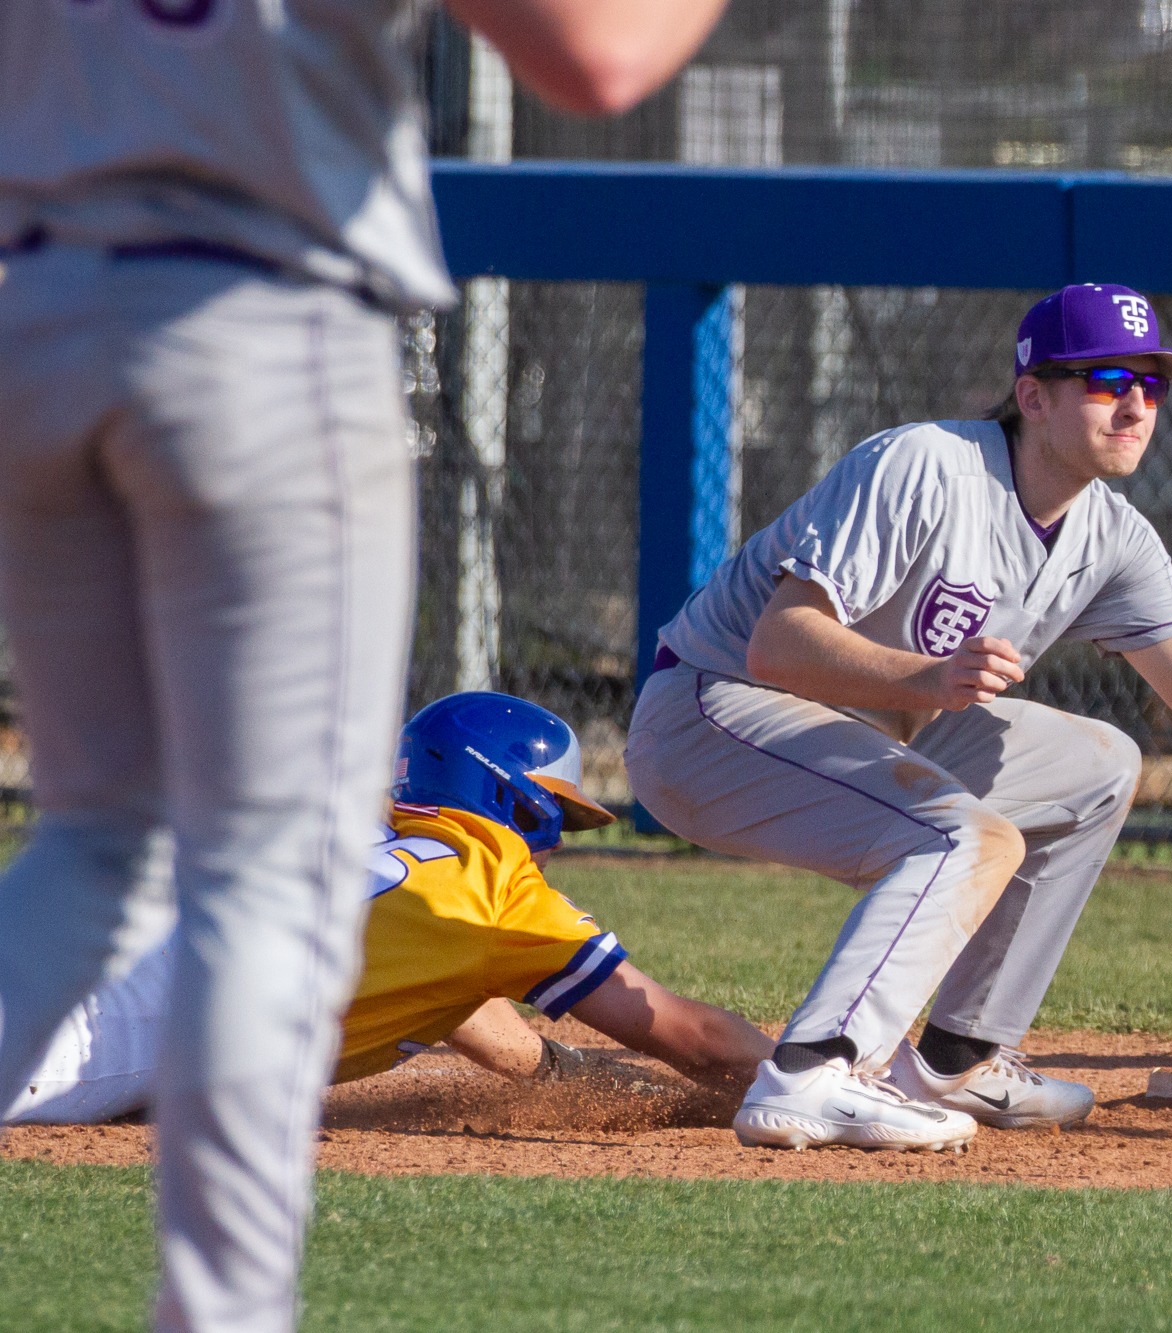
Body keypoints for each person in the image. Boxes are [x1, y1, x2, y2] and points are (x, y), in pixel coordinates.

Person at [0, 3, 728, 1327]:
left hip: (40, 308)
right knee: (271, 870)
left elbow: (500, 1031)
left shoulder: (451, 890)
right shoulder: (487, 877)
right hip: (260, 311)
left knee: (94, 840)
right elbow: (597, 56)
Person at [626, 283, 1172, 1151]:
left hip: (869, 726)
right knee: (963, 836)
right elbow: (779, 642)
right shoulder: (925, 464)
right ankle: (812, 1071)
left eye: (1155, 383)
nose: (1138, 401)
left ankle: (962, 1054)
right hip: (710, 715)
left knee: (1103, 764)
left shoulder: (1115, 534)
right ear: (1034, 395)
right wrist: (929, 673)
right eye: (1109, 377)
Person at [6, 692, 772, 1126]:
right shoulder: (498, 886)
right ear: (512, 795)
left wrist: (557, 1068)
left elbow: (450, 993)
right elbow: (692, 1036)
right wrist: (796, 1078)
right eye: (559, 817)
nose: (558, 844)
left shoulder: (359, 832)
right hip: (106, 1033)